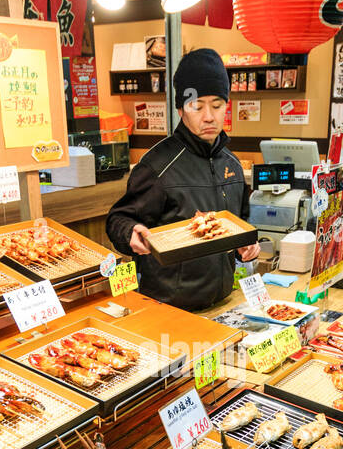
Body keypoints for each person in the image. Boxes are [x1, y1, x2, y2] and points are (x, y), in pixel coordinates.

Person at [106, 48, 260, 312]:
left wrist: (246, 245)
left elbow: (241, 225)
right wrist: (129, 232)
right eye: (197, 106)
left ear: (227, 106)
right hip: (168, 307)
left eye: (217, 105)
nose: (209, 116)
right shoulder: (157, 165)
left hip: (223, 302)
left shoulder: (232, 165)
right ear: (181, 109)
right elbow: (118, 219)